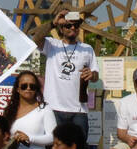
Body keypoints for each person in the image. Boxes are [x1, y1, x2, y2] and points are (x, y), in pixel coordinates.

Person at [41, 11, 97, 139]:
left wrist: (91, 74)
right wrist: (52, 23)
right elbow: (36, 38)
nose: (72, 28)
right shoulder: (52, 44)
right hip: (54, 108)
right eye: (68, 26)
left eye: (76, 25)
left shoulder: (87, 48)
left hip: (78, 109)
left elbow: (95, 76)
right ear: (61, 28)